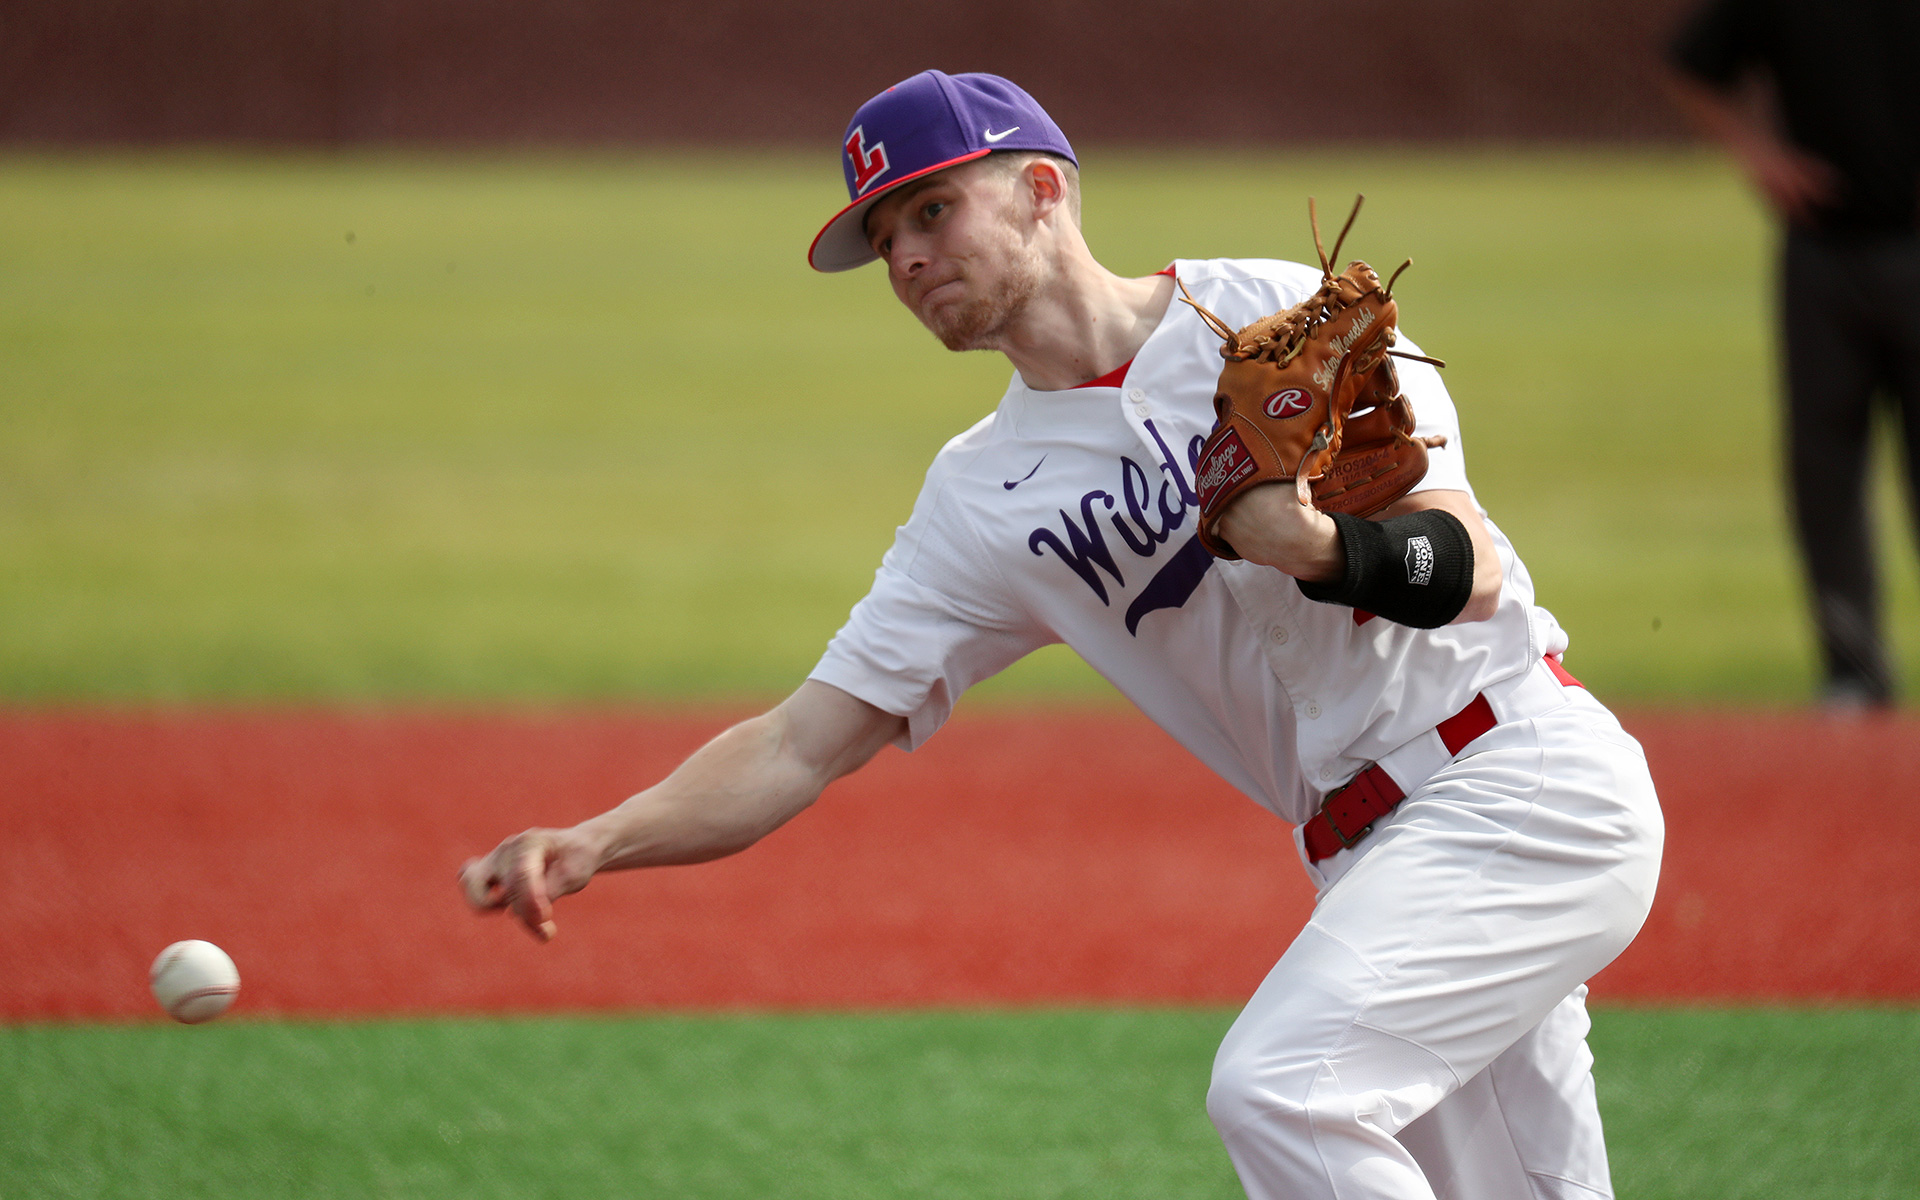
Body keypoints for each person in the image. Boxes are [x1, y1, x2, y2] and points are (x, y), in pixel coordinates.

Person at [460, 70, 1664, 1200]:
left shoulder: (1268, 317)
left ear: (1043, 189)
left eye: (933, 209)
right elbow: (800, 743)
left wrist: (1312, 547)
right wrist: (598, 840)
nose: (910, 256)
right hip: (1377, 868)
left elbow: (1472, 570)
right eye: (884, 240)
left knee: (1286, 1094)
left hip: (1519, 785)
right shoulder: (981, 497)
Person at [1666, 0, 1920, 709]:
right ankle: (1853, 673)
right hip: (1822, 251)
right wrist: (1760, 157)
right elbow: (1690, 65)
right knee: (1823, 465)